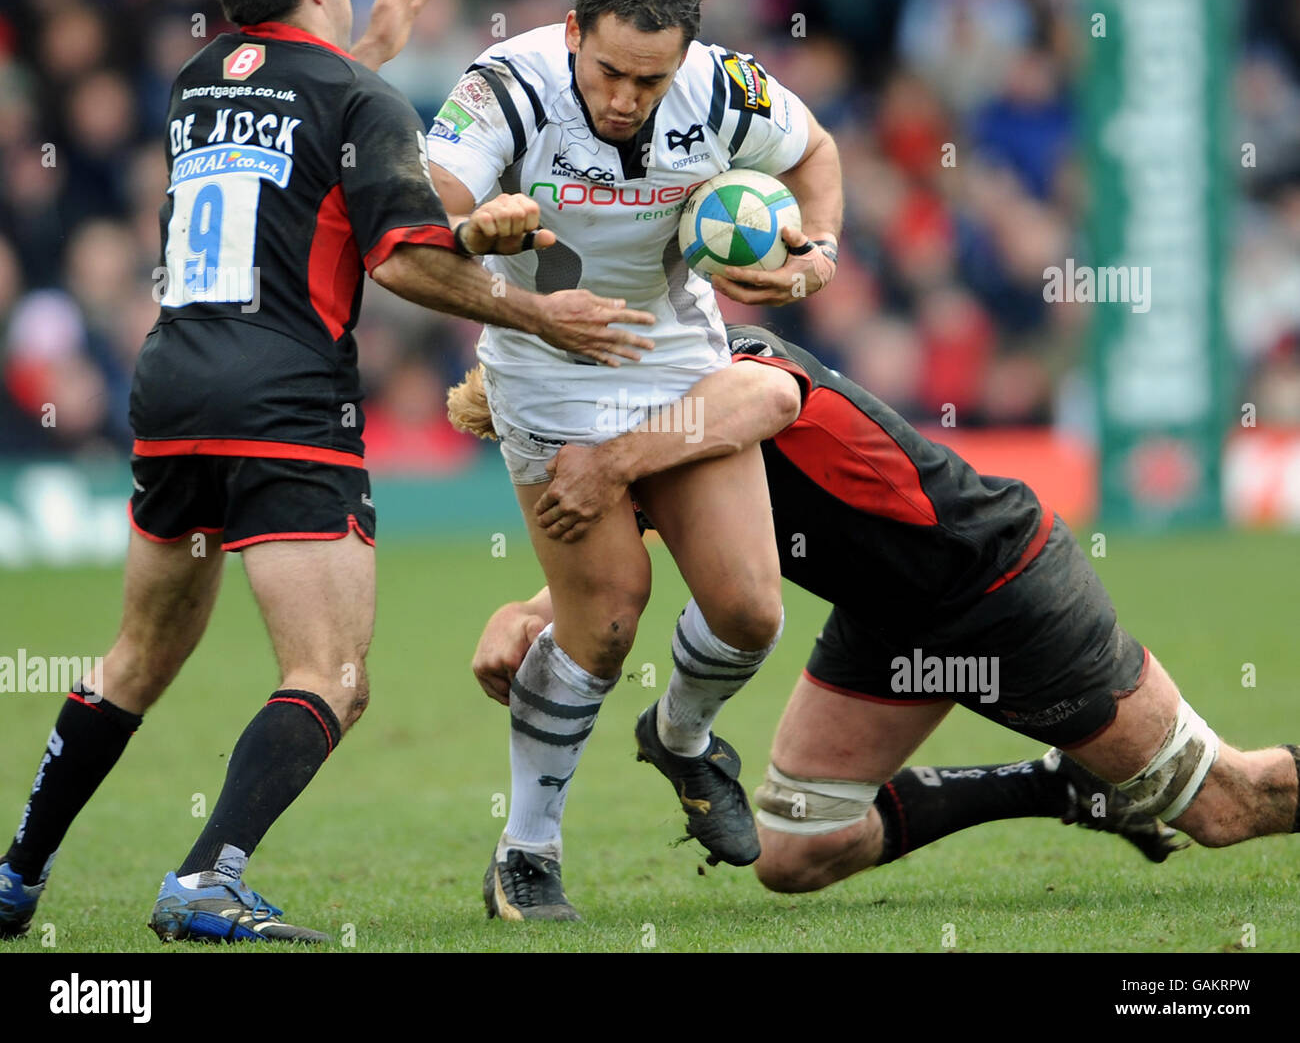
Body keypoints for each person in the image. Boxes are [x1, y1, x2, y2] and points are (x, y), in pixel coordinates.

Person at [0, 0, 653, 945]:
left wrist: (372, 52)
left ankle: (16, 874)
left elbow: (296, 129)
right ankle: (207, 879)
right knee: (331, 676)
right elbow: (401, 257)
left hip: (172, 390)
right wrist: (537, 307)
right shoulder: (356, 97)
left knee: (134, 656)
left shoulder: (194, 82)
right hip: (284, 399)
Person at [454, 323, 1299, 898]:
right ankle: (1059, 784)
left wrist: (606, 464)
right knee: (793, 855)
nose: (555, 448)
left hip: (1001, 589)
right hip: (886, 624)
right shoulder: (642, 454)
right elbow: (608, 578)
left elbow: (773, 402)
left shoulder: (721, 367)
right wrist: (527, 610)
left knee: (1229, 805)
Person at [417, 0, 843, 920]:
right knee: (606, 616)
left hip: (673, 356)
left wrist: (815, 257)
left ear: (684, 59)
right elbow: (415, 217)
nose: (624, 97)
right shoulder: (503, 88)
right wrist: (478, 229)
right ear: (574, 34)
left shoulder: (725, 89)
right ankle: (526, 851)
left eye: (649, 79)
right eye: (609, 72)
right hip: (542, 360)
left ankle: (681, 738)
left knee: (748, 611)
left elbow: (815, 153)